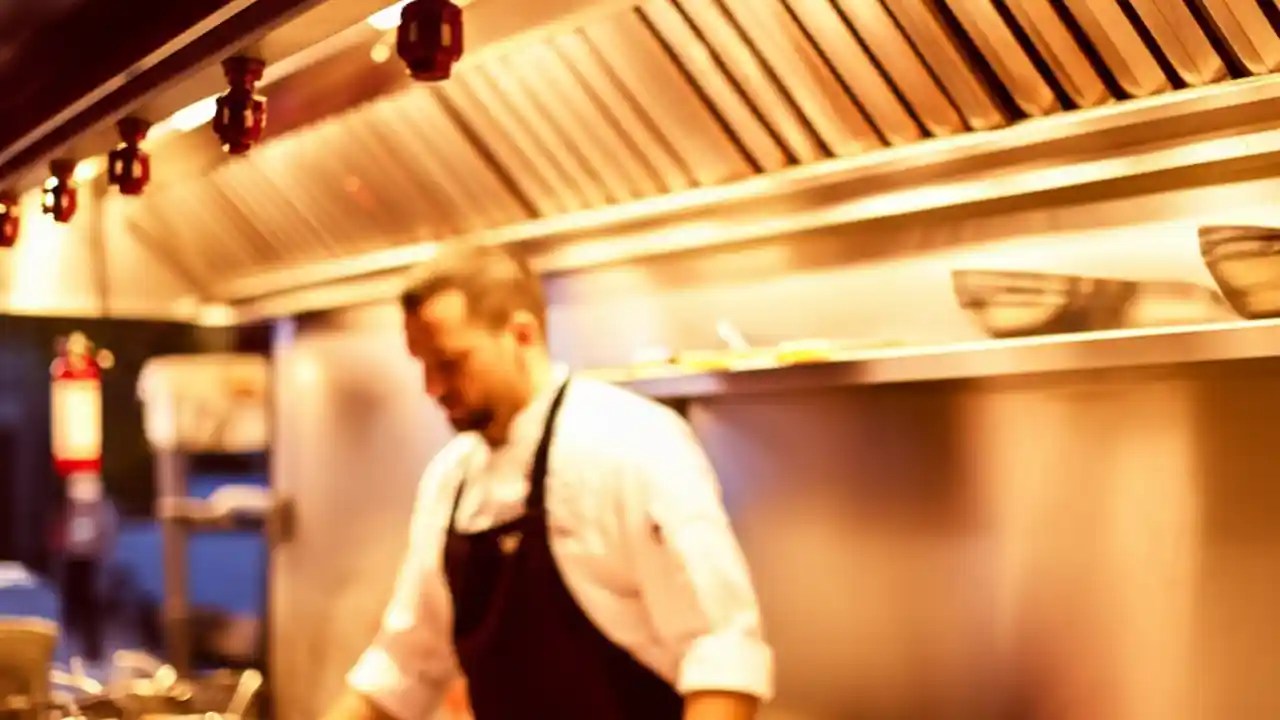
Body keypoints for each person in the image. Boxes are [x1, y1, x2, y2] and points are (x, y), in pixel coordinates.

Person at [322, 244, 774, 720]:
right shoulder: (450, 479)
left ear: (522, 334)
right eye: (422, 364)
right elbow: (405, 666)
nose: (431, 387)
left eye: (450, 363)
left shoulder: (631, 443)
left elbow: (722, 657)